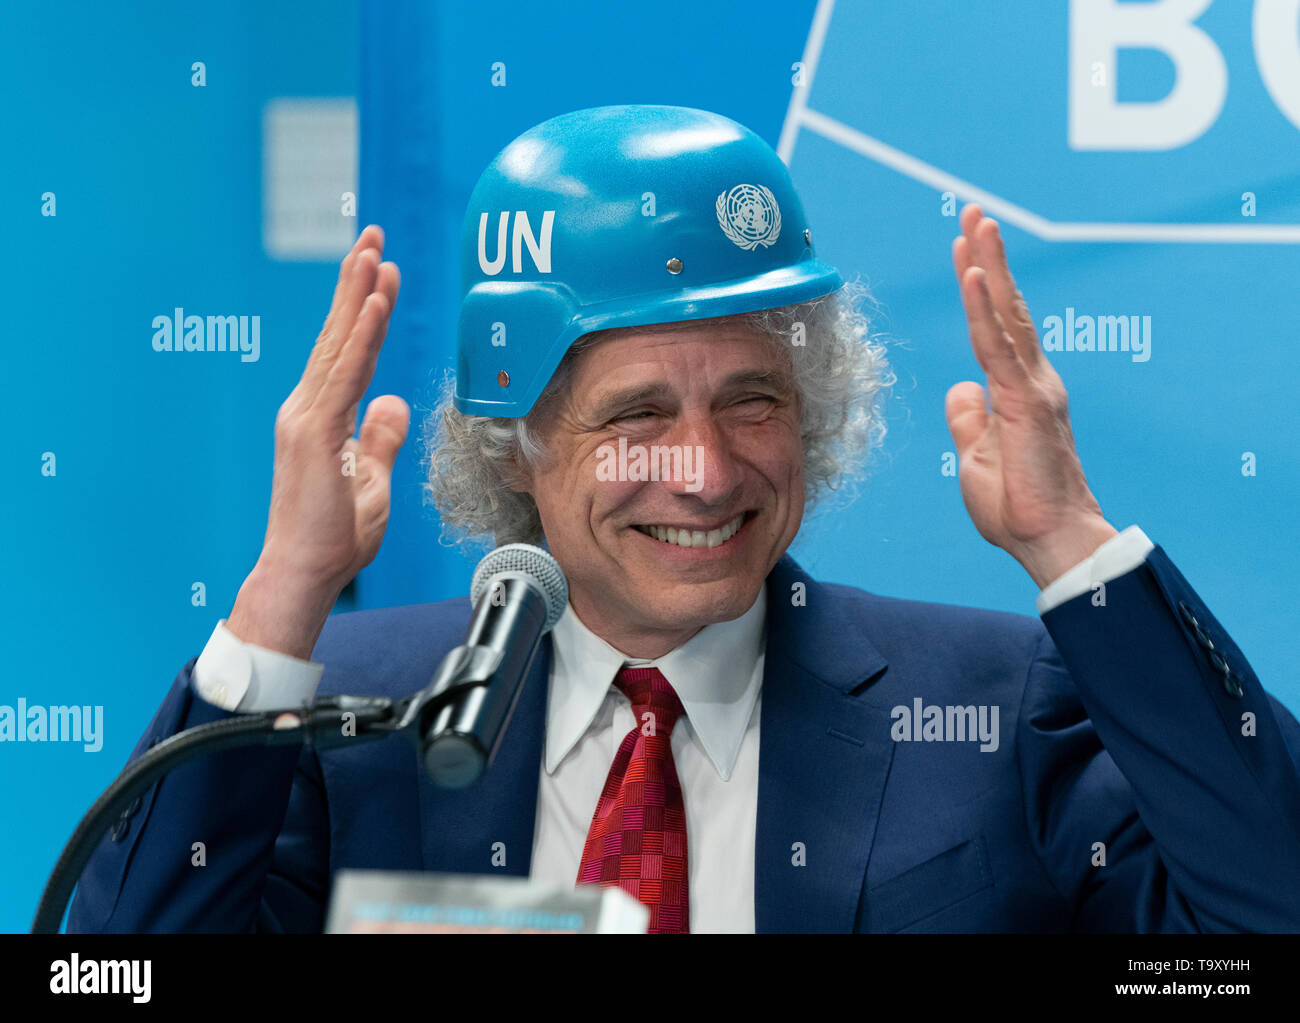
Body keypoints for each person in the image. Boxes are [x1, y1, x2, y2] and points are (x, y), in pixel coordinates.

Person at [68, 105, 1300, 933]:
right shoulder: (355, 720)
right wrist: (286, 591)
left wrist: (1069, 542)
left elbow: (1267, 916)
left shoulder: (997, 702)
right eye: (634, 413)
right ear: (519, 442)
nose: (705, 473)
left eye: (753, 401)